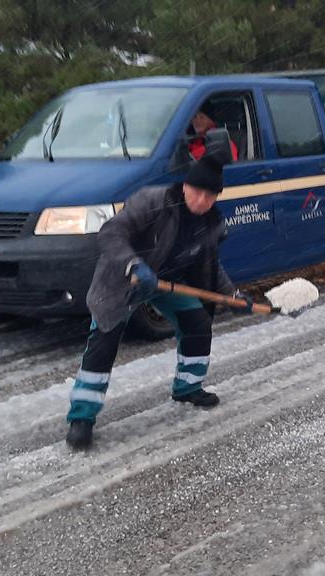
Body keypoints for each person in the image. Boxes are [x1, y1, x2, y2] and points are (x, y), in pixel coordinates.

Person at [65, 143, 250, 450]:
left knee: (197, 323)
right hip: (123, 281)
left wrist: (233, 295)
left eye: (210, 196)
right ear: (185, 185)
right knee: (104, 342)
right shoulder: (153, 201)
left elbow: (210, 265)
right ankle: (82, 417)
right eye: (197, 192)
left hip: (169, 283)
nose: (202, 201)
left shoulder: (210, 224)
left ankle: (188, 387)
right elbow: (111, 233)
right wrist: (134, 264)